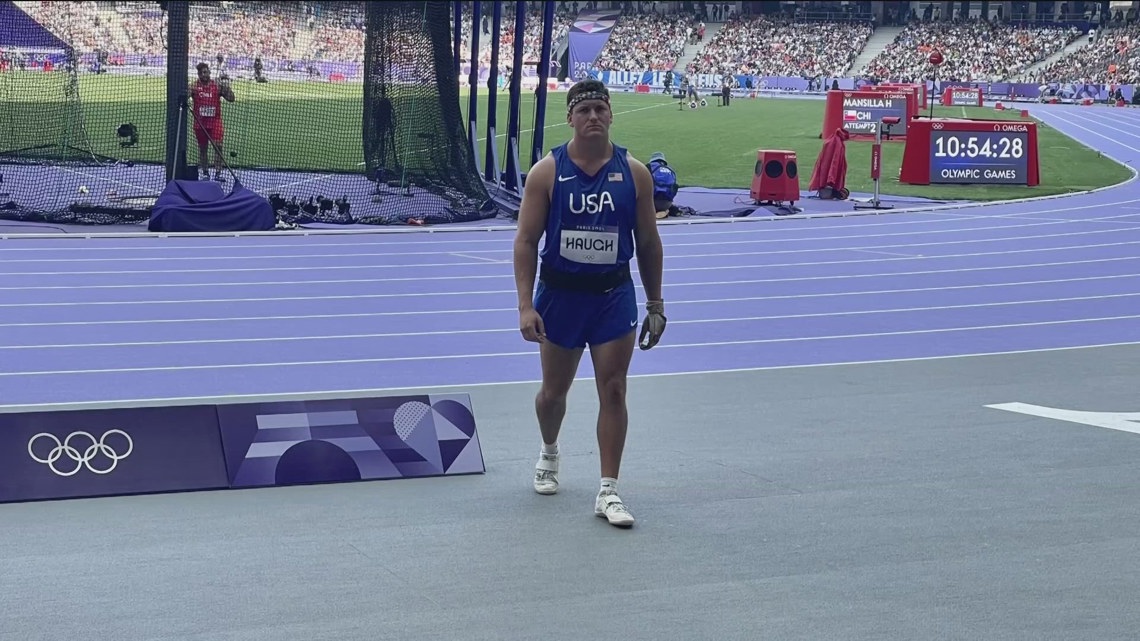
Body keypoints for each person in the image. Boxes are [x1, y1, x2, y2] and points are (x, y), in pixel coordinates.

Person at [512, 78, 667, 528]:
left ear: (611, 115)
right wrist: (525, 305)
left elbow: (648, 242)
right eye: (584, 110)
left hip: (612, 296)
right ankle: (549, 451)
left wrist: (655, 304)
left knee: (614, 388)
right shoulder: (546, 172)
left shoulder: (634, 173)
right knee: (552, 394)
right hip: (560, 297)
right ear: (570, 118)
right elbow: (525, 241)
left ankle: (609, 490)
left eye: (600, 108)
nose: (593, 116)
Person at [188, 62, 235, 181]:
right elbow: (185, 96)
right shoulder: (194, 86)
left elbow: (231, 99)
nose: (203, 75)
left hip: (215, 122)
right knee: (203, 149)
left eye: (205, 72)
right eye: (200, 73)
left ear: (209, 72)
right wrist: (186, 90)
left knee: (218, 146)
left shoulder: (217, 86)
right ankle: (205, 172)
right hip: (200, 123)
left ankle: (218, 173)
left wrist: (226, 87)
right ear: (198, 74)